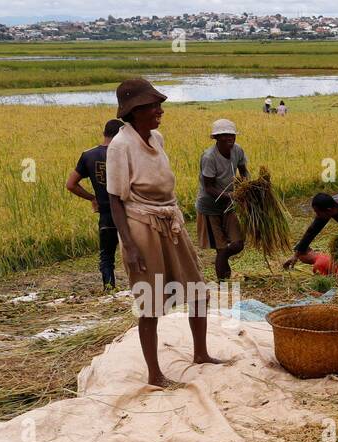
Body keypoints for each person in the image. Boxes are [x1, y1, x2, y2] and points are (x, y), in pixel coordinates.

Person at [106, 77, 224, 388]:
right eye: (153, 105)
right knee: (150, 302)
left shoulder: (156, 138)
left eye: (159, 104)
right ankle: (155, 374)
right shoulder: (120, 145)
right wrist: (128, 246)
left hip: (169, 221)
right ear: (134, 111)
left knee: (198, 291)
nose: (160, 109)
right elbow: (115, 200)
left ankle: (201, 353)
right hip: (141, 226)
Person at [66, 118, 125, 290]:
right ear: (121, 135)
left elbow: (71, 184)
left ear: (104, 134)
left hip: (106, 215)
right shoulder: (125, 153)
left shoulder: (89, 155)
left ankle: (109, 289)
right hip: (128, 212)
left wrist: (93, 198)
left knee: (107, 256)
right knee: (138, 251)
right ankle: (143, 287)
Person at [196, 118, 248, 282]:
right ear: (216, 138)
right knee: (220, 248)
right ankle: (223, 282)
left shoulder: (237, 150)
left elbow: (244, 171)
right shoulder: (209, 157)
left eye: (231, 135)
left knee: (238, 243)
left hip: (228, 205)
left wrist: (247, 187)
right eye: (223, 135)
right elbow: (209, 187)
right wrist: (232, 196)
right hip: (210, 207)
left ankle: (223, 263)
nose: (228, 138)